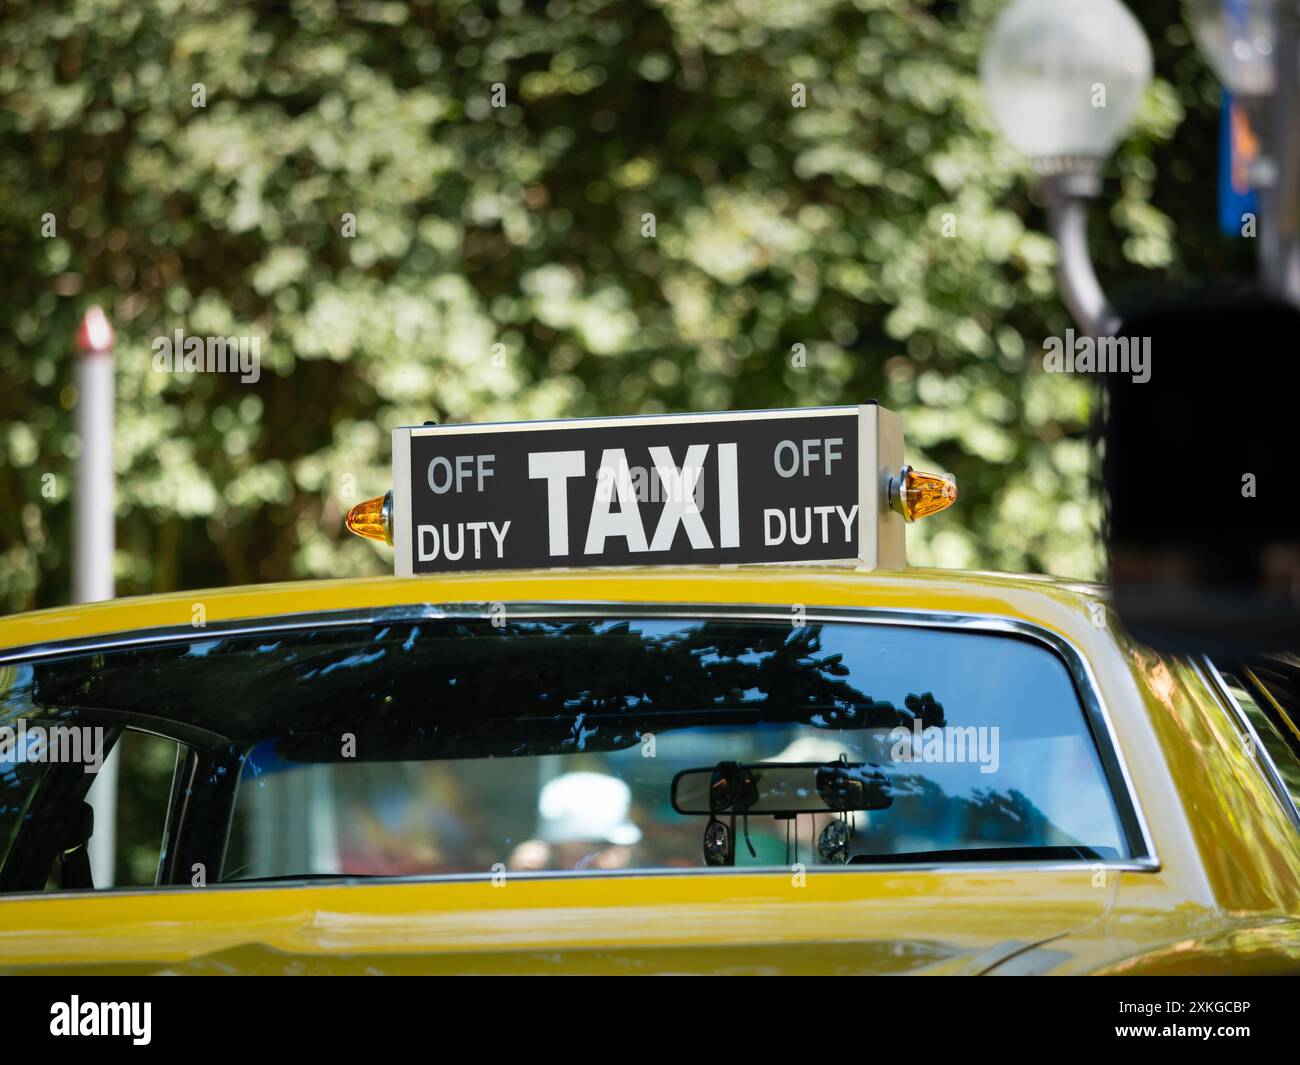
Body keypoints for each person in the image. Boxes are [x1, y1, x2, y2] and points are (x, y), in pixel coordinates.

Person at [507, 771, 642, 872]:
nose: (609, 859)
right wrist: (521, 876)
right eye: (600, 845)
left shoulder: (639, 868)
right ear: (554, 848)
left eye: (607, 846)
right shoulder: (536, 865)